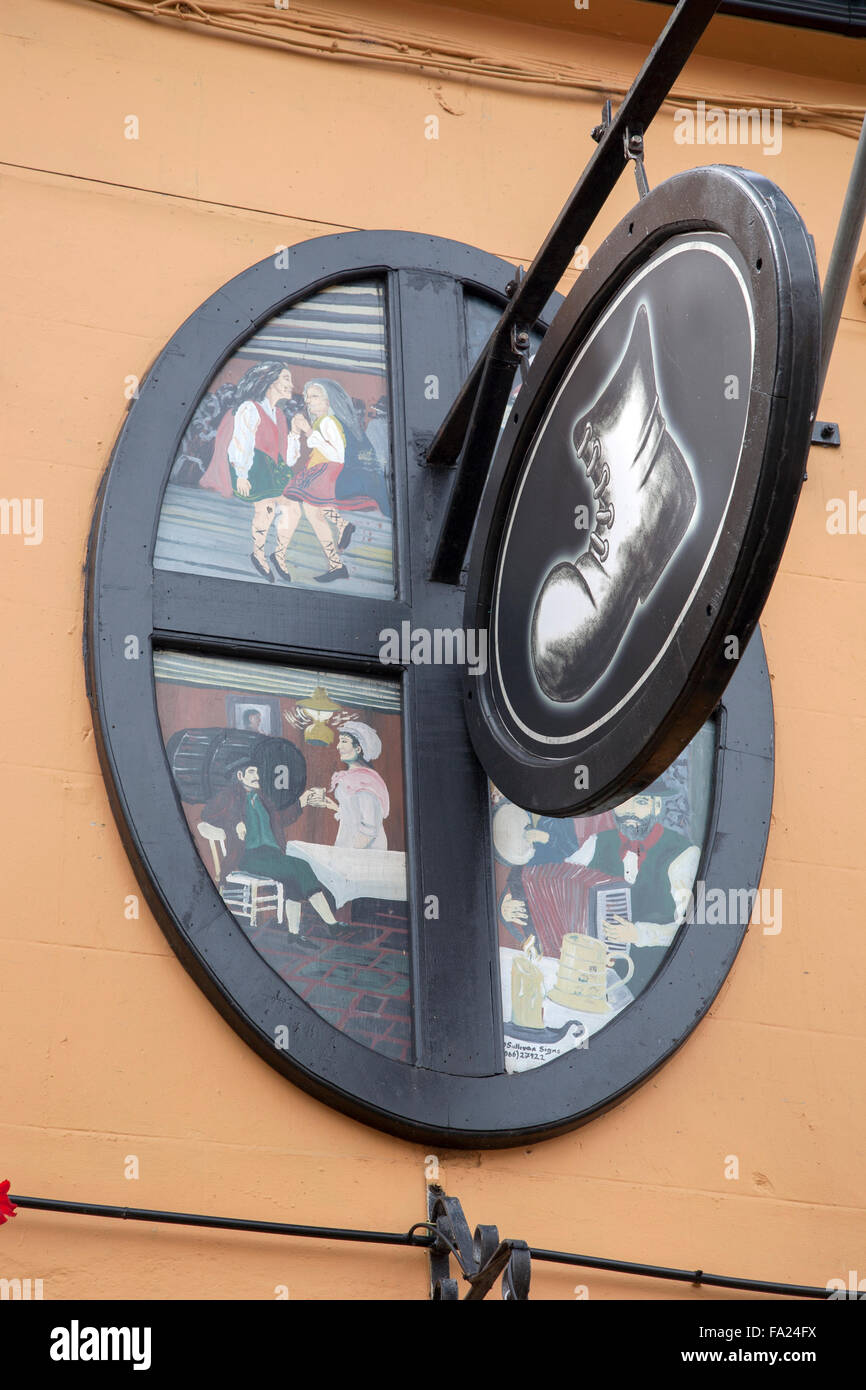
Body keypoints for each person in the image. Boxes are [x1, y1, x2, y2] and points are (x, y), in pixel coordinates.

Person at [566, 782, 700, 996]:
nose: (629, 810)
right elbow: (559, 878)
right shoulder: (597, 842)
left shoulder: (683, 854)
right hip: (593, 977)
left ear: (657, 807)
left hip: (654, 983)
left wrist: (639, 934)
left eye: (640, 802)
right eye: (622, 801)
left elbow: (692, 927)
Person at [200, 760, 339, 931]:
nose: (257, 777)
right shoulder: (228, 796)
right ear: (240, 775)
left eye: (257, 773)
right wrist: (235, 823)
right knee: (301, 866)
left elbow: (279, 820)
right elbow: (207, 814)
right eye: (252, 772)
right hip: (248, 857)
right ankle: (332, 924)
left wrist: (302, 802)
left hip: (271, 854)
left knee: (294, 877)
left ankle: (294, 934)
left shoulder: (261, 798)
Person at [273, 380, 385, 584]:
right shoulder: (319, 422)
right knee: (314, 512)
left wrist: (307, 431)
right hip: (317, 470)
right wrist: (294, 433)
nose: (308, 401)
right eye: (307, 397)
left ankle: (336, 544)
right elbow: (291, 459)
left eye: (314, 396)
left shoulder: (329, 422)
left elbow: (336, 454)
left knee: (306, 509)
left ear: (328, 400)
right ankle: (337, 557)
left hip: (325, 471)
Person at [199, 360, 298, 583]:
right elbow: (240, 443)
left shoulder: (279, 414)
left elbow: (287, 457)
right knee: (267, 508)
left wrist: (295, 434)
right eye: (286, 379)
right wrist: (242, 474)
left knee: (293, 510)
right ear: (270, 381)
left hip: (272, 468)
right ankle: (259, 554)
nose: (291, 385)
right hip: (252, 467)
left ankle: (279, 555)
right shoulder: (250, 408)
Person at [301, 721, 389, 849]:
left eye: (343, 741)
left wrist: (350, 851)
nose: (338, 747)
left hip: (365, 850)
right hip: (349, 845)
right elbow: (354, 813)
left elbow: (370, 828)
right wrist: (334, 806)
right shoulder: (350, 777)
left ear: (358, 748)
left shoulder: (365, 781)